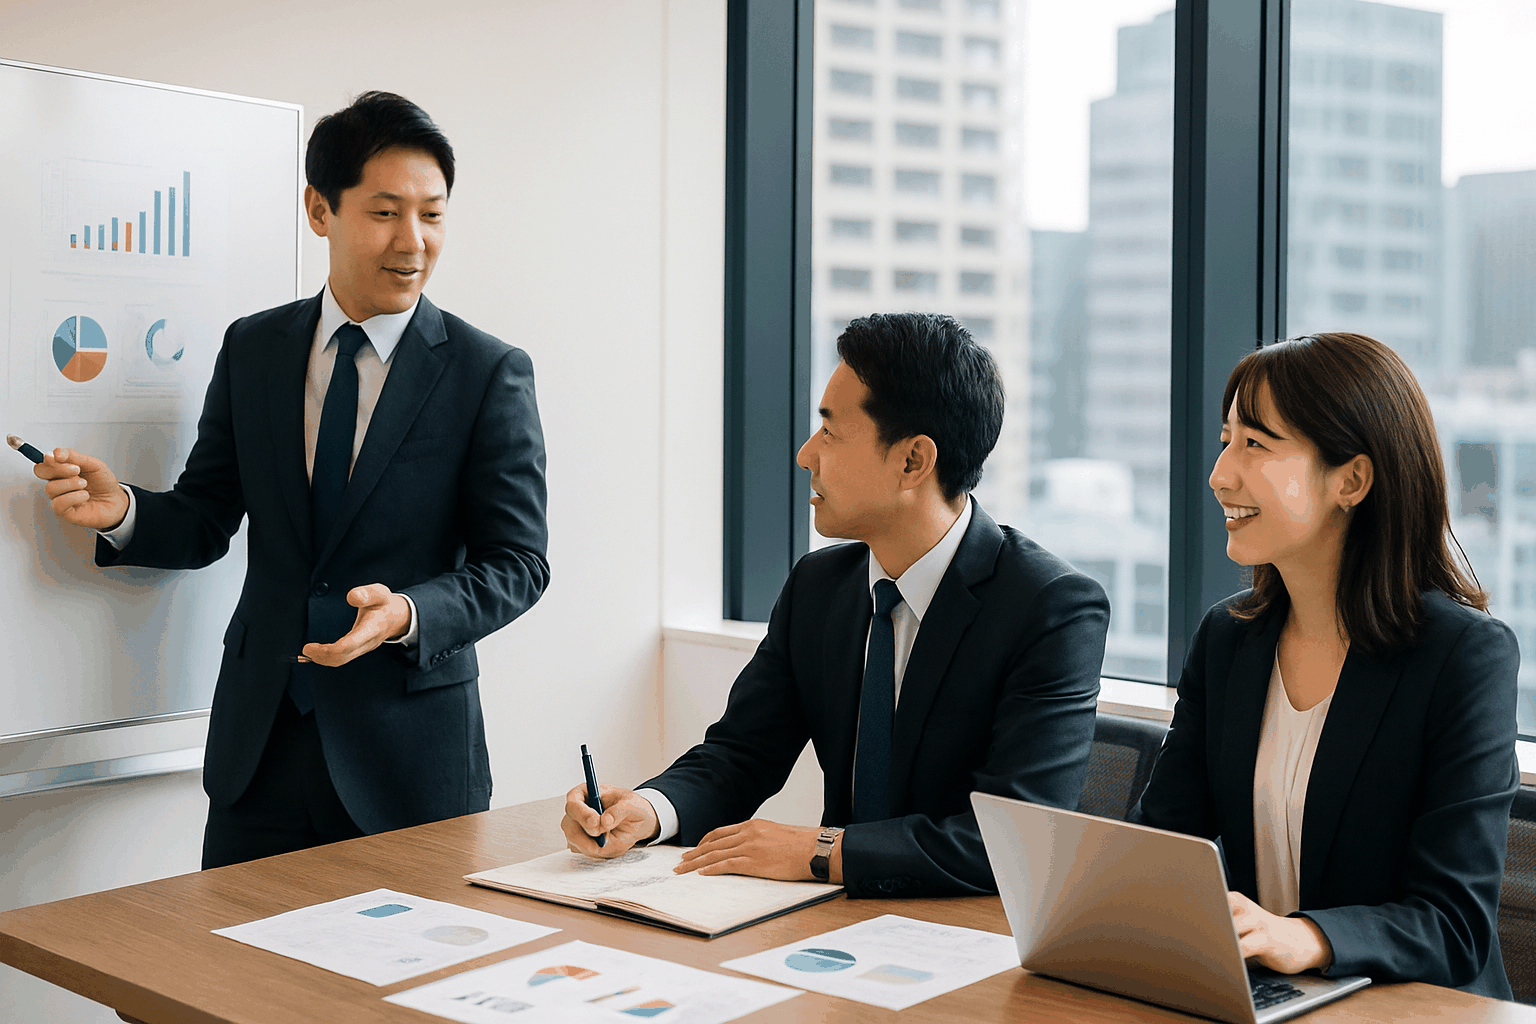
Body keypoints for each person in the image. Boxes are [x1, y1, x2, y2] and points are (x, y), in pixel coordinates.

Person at [31, 92, 549, 869]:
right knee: (224, 985)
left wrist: (408, 611)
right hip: (259, 755)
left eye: (432, 215)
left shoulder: (487, 373)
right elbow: (208, 517)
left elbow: (519, 564)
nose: (413, 241)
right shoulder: (255, 349)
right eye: (384, 212)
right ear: (320, 209)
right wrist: (125, 513)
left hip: (407, 768)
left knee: (386, 990)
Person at [562, 312, 1109, 897]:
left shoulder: (1050, 607)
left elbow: (1011, 842)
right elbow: (741, 755)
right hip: (834, 927)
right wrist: (649, 811)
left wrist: (822, 849)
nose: (804, 455)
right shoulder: (818, 586)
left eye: (830, 432)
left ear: (912, 462)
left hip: (963, 937)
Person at [1132, 332, 1518, 997]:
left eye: (1256, 444)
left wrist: (1301, 936)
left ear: (1353, 480)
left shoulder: (1463, 657)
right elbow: (1161, 848)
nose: (1220, 474)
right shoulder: (1228, 641)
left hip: (1415, 1009)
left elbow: (1455, 925)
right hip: (1273, 1001)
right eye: (1227, 441)